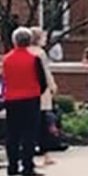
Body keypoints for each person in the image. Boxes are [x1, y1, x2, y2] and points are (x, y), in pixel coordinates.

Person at [0, 27, 46, 176]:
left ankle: (12, 166)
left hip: (12, 99)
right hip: (31, 98)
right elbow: (42, 80)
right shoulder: (34, 59)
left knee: (12, 133)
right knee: (29, 134)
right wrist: (38, 91)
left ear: (15, 41)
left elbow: (5, 79)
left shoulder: (6, 59)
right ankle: (27, 166)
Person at [29, 27, 61, 166]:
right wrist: (52, 85)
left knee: (30, 125)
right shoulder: (40, 53)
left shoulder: (25, 51)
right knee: (44, 124)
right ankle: (46, 155)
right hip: (41, 94)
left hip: (28, 94)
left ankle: (29, 154)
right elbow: (45, 72)